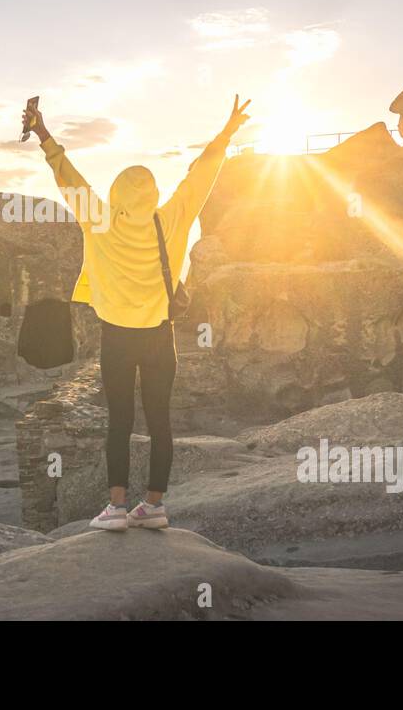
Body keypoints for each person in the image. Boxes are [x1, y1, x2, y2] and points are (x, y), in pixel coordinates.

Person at [25, 95, 252, 530]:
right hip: (160, 337)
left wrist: (42, 131)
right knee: (161, 422)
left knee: (119, 423)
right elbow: (202, 176)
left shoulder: (100, 219)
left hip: (118, 338)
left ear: (116, 193)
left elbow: (67, 177)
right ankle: (154, 506)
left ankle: (115, 509)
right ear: (153, 193)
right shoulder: (171, 220)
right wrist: (227, 132)